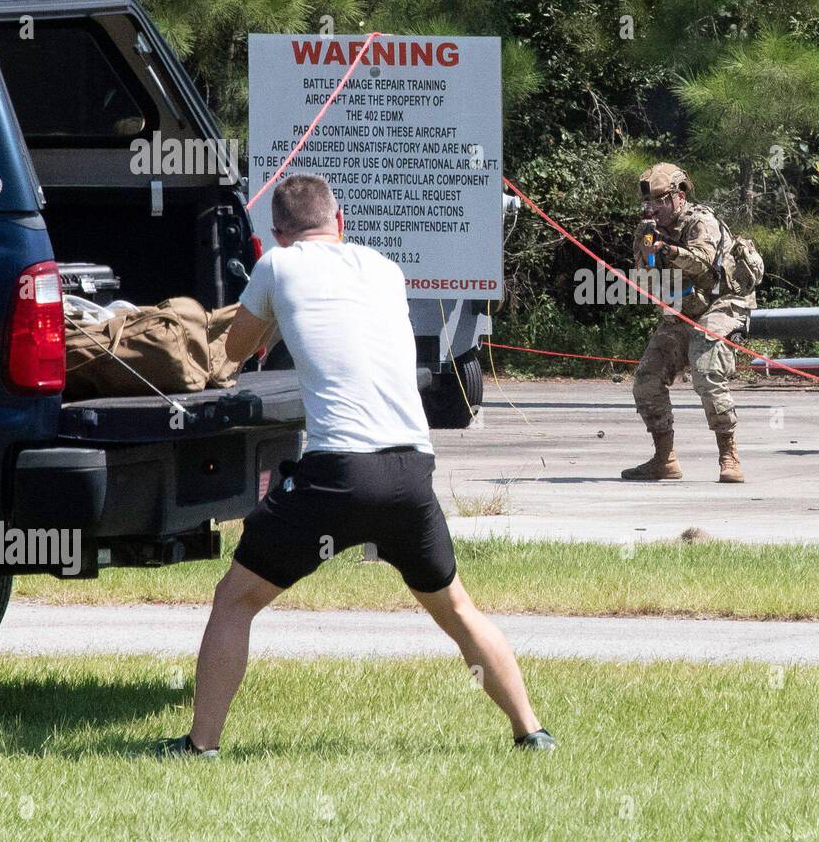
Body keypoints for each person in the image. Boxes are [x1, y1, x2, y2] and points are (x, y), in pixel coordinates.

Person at [156, 174, 553, 757]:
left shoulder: (278, 266)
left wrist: (253, 304)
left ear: (278, 236)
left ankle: (201, 745)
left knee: (234, 601)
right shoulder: (384, 269)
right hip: (411, 471)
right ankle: (531, 731)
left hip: (338, 474)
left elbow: (237, 350)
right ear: (339, 222)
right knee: (457, 609)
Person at [621, 163, 759, 484]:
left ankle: (729, 455)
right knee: (646, 379)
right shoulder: (647, 230)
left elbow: (702, 263)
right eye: (648, 203)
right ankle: (664, 459)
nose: (652, 208)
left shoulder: (701, 221)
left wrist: (667, 249)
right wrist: (646, 253)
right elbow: (645, 279)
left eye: (660, 200)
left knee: (705, 369)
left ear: (679, 196)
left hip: (721, 303)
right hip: (683, 307)